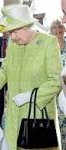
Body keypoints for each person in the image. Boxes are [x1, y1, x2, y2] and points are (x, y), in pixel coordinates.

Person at [0, 4, 62, 150]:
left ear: (28, 26)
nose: (13, 37)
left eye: (15, 32)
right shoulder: (13, 43)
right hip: (12, 115)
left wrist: (30, 96)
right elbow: (5, 69)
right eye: (10, 33)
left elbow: (55, 82)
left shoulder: (49, 43)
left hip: (37, 117)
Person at [50, 19, 66, 150]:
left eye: (60, 26)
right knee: (58, 124)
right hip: (54, 92)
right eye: (54, 27)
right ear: (51, 32)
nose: (58, 29)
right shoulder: (48, 49)